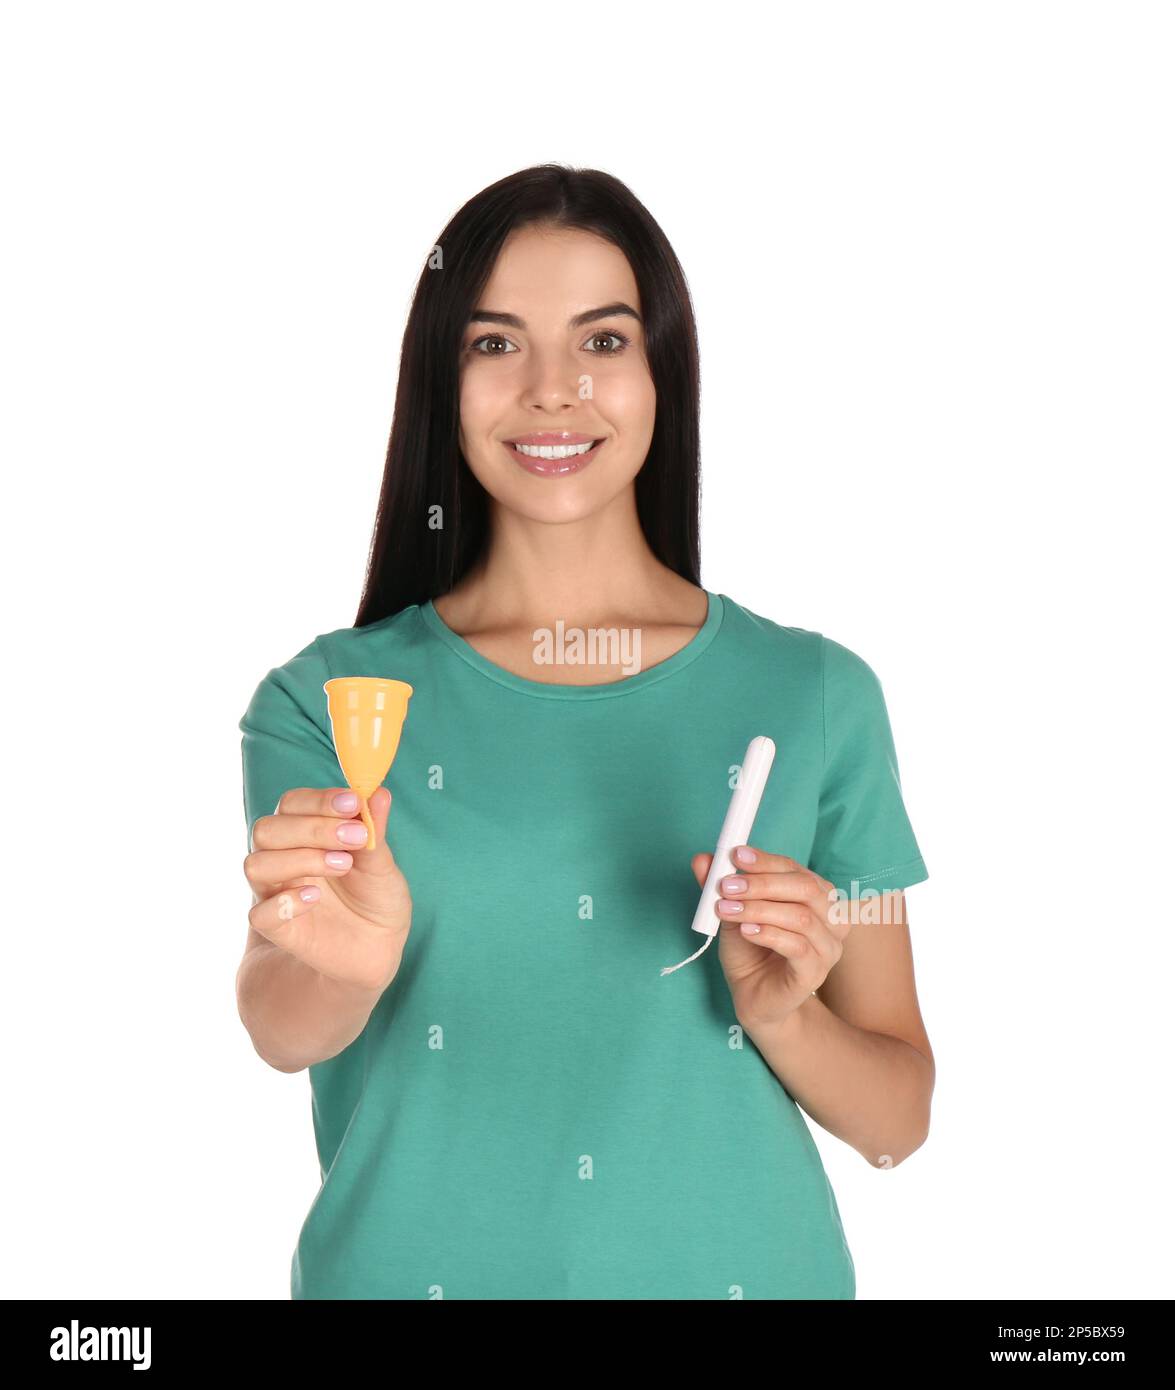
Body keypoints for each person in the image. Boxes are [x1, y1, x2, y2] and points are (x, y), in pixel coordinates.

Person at [237, 164, 934, 1301]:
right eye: (495, 344)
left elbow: (897, 1114)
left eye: (603, 343)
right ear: (439, 378)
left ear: (663, 370)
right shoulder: (330, 699)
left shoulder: (814, 694)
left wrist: (783, 1018)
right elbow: (279, 1022)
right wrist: (346, 973)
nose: (553, 390)